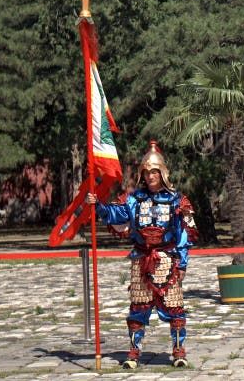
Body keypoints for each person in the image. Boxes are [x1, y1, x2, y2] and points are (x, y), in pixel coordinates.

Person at [86, 140, 198, 369]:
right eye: (146, 172)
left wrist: (183, 263)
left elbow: (184, 233)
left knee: (175, 307)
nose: (150, 176)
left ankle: (178, 352)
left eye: (154, 172)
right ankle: (134, 353)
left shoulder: (177, 200)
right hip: (140, 259)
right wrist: (98, 205)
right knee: (138, 307)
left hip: (167, 260)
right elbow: (115, 215)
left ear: (163, 173)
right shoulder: (133, 199)